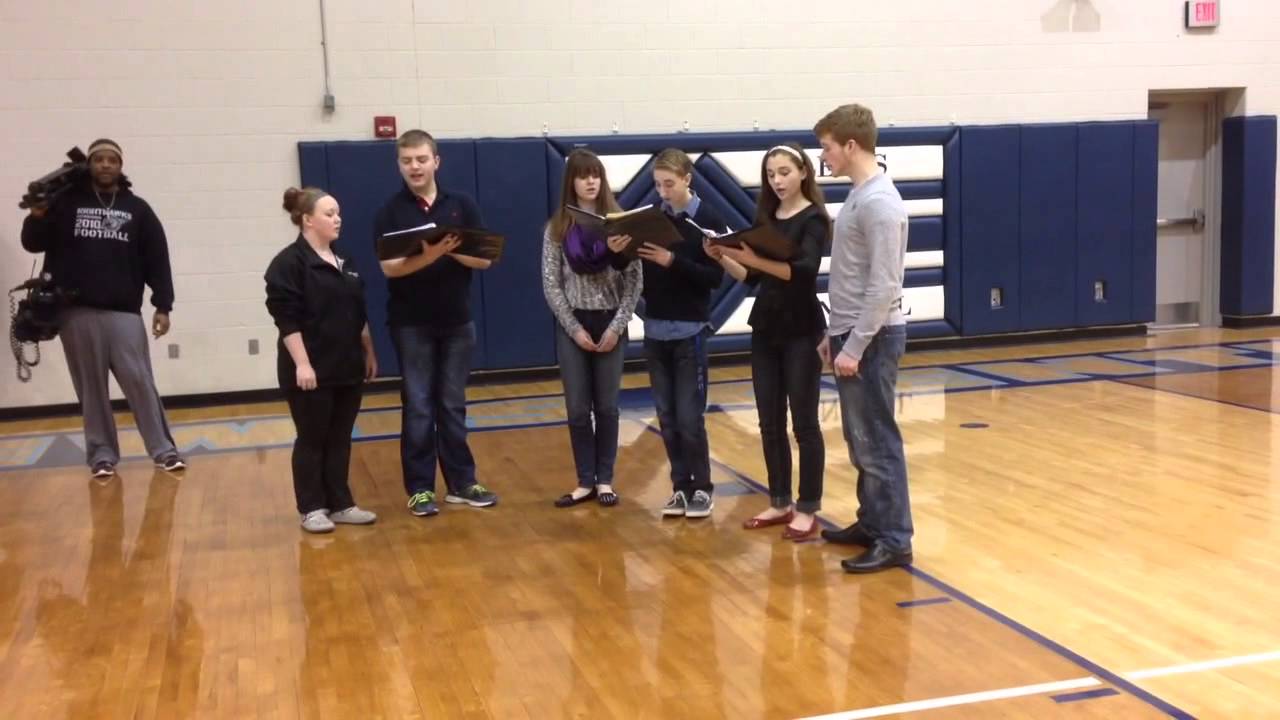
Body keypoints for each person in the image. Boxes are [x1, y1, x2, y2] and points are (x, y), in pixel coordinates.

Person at [20, 138, 186, 478]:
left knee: (140, 382)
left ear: (120, 166)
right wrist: (37, 214)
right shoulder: (65, 204)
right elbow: (32, 242)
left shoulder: (138, 209)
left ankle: (164, 451)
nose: (106, 165)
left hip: (124, 312)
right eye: (99, 160)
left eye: (112, 160)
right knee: (91, 389)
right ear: (90, 165)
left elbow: (157, 259)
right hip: (76, 312)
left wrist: (163, 305)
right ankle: (102, 456)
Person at [704, 142, 828, 541]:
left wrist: (755, 260)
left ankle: (808, 507)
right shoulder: (766, 216)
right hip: (766, 327)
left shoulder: (814, 219)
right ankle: (780, 500)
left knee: (804, 423)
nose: (777, 180)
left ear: (803, 172)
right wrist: (721, 255)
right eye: (771, 174)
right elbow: (753, 278)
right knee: (769, 422)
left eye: (784, 172)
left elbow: (804, 271)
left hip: (802, 328)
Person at [374, 129, 499, 518]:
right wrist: (429, 257)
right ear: (399, 165)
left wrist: (451, 249)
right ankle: (420, 489)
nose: (415, 167)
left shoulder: (462, 204)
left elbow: (486, 260)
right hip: (411, 324)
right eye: (407, 161)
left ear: (436, 162)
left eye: (421, 159)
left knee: (452, 403)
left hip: (457, 321)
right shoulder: (390, 212)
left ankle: (463, 483)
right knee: (418, 406)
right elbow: (389, 269)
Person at [813, 104, 915, 573]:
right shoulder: (858, 195)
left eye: (827, 148)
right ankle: (872, 521)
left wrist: (853, 345)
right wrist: (835, 336)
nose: (824, 157)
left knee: (877, 440)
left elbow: (884, 286)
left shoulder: (879, 202)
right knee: (860, 440)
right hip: (851, 333)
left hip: (872, 339)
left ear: (851, 146)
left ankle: (895, 538)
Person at [265, 187, 379, 533]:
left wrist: (368, 351)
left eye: (338, 212)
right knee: (313, 437)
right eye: (329, 213)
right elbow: (287, 318)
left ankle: (341, 502)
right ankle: (312, 507)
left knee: (341, 436)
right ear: (307, 220)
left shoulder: (346, 261)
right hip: (310, 369)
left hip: (346, 365)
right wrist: (302, 363)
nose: (337, 218)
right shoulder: (288, 264)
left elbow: (358, 311)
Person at [542, 148, 643, 508]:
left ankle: (605, 479)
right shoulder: (557, 228)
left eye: (595, 174)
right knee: (576, 408)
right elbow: (551, 284)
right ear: (571, 182)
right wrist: (573, 327)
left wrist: (617, 326)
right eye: (582, 175)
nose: (589, 181)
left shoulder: (620, 223)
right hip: (574, 326)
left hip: (611, 322)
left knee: (608, 407)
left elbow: (634, 282)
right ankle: (584, 479)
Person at [637, 148, 726, 520]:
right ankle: (680, 487)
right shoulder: (653, 219)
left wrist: (673, 261)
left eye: (669, 184)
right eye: (658, 185)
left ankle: (702, 488)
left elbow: (714, 277)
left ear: (687, 179)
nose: (663, 192)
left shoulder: (707, 219)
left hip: (689, 329)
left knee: (690, 417)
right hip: (656, 331)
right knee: (667, 415)